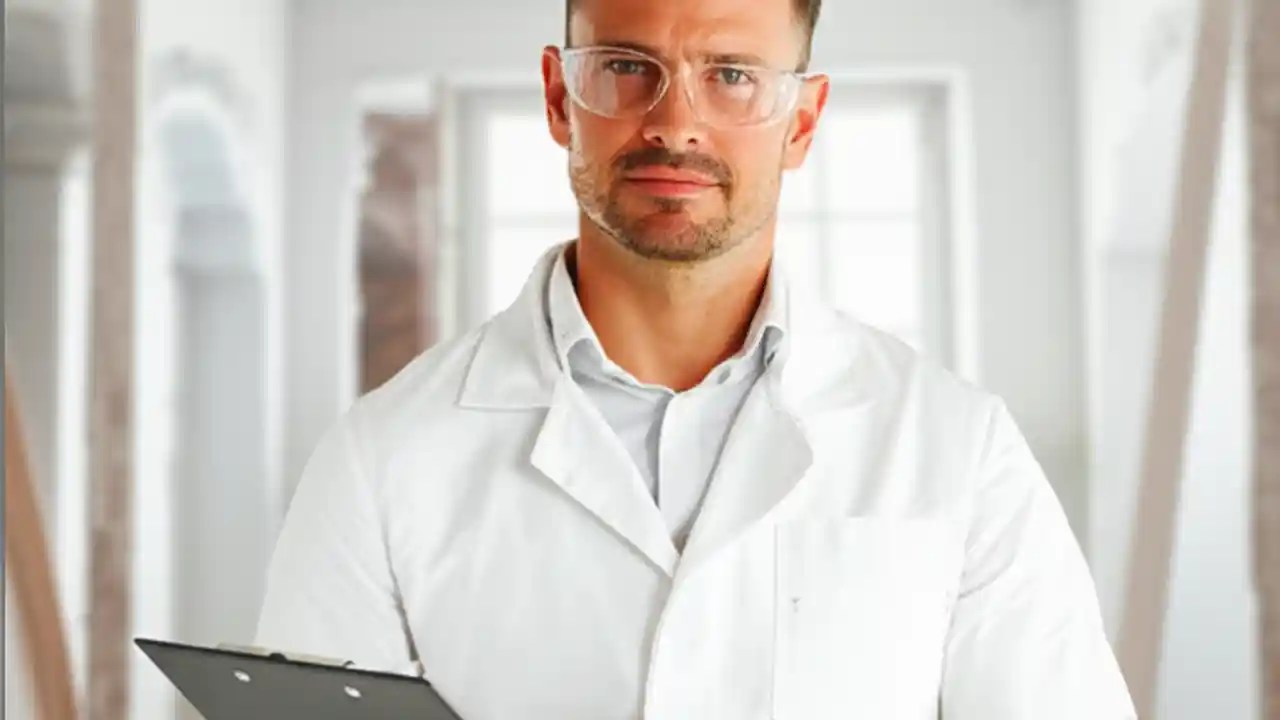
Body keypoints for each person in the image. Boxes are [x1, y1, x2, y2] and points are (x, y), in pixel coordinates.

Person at [255, 0, 1136, 716]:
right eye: (628, 68)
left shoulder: (956, 446)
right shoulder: (382, 456)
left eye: (733, 77)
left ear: (803, 121)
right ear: (560, 99)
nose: (675, 123)